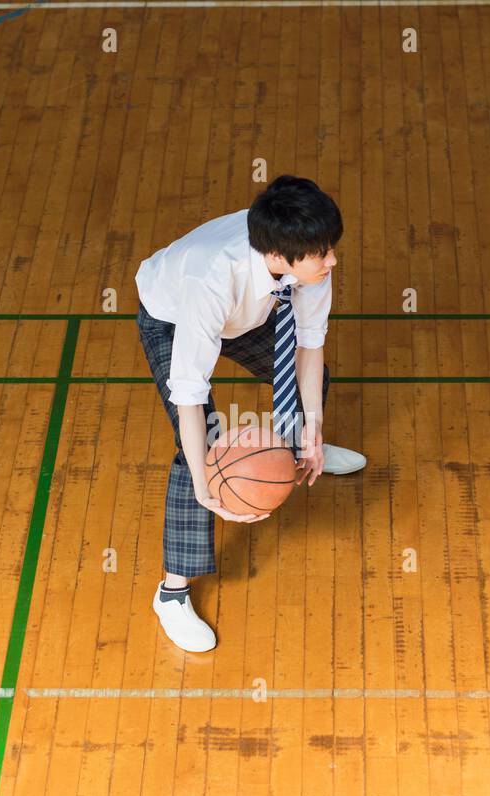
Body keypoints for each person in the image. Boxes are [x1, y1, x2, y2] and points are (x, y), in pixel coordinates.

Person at [135, 175, 367, 652]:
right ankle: (172, 593)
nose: (333, 259)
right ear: (281, 256)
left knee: (314, 382)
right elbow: (189, 393)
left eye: (330, 248)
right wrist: (206, 484)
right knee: (194, 447)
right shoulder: (212, 278)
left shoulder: (304, 257)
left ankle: (299, 451)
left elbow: (308, 344)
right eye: (324, 253)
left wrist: (312, 433)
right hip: (175, 313)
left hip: (251, 312)